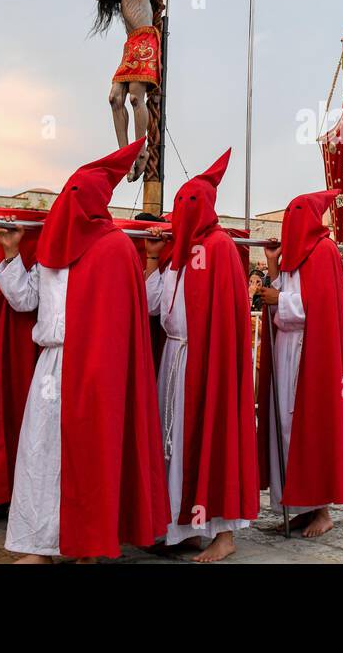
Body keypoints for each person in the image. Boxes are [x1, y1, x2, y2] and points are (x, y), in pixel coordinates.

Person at [0, 141, 169, 562]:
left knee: (90, 458)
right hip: (52, 367)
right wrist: (12, 253)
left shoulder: (115, 248)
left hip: (96, 372)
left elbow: (125, 320)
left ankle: (88, 542)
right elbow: (26, 300)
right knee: (40, 453)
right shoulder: (53, 247)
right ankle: (39, 544)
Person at [145, 149, 259, 562]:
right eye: (179, 203)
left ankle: (224, 534)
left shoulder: (221, 248)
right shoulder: (179, 252)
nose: (182, 211)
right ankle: (184, 529)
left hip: (205, 364)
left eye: (189, 203)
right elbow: (153, 304)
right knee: (172, 447)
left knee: (212, 439)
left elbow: (225, 323)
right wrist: (155, 259)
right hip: (174, 362)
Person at [256, 191, 343, 539]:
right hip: (288, 349)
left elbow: (317, 307)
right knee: (285, 428)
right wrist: (273, 264)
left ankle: (322, 509)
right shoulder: (295, 255)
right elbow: (281, 297)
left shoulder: (324, 251)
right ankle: (297, 505)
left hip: (309, 353)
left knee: (309, 426)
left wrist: (280, 298)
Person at [92, 0, 209, 182]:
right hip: (131, 44)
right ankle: (125, 154)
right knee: (114, 98)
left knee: (136, 98)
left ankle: (141, 152)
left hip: (145, 40)